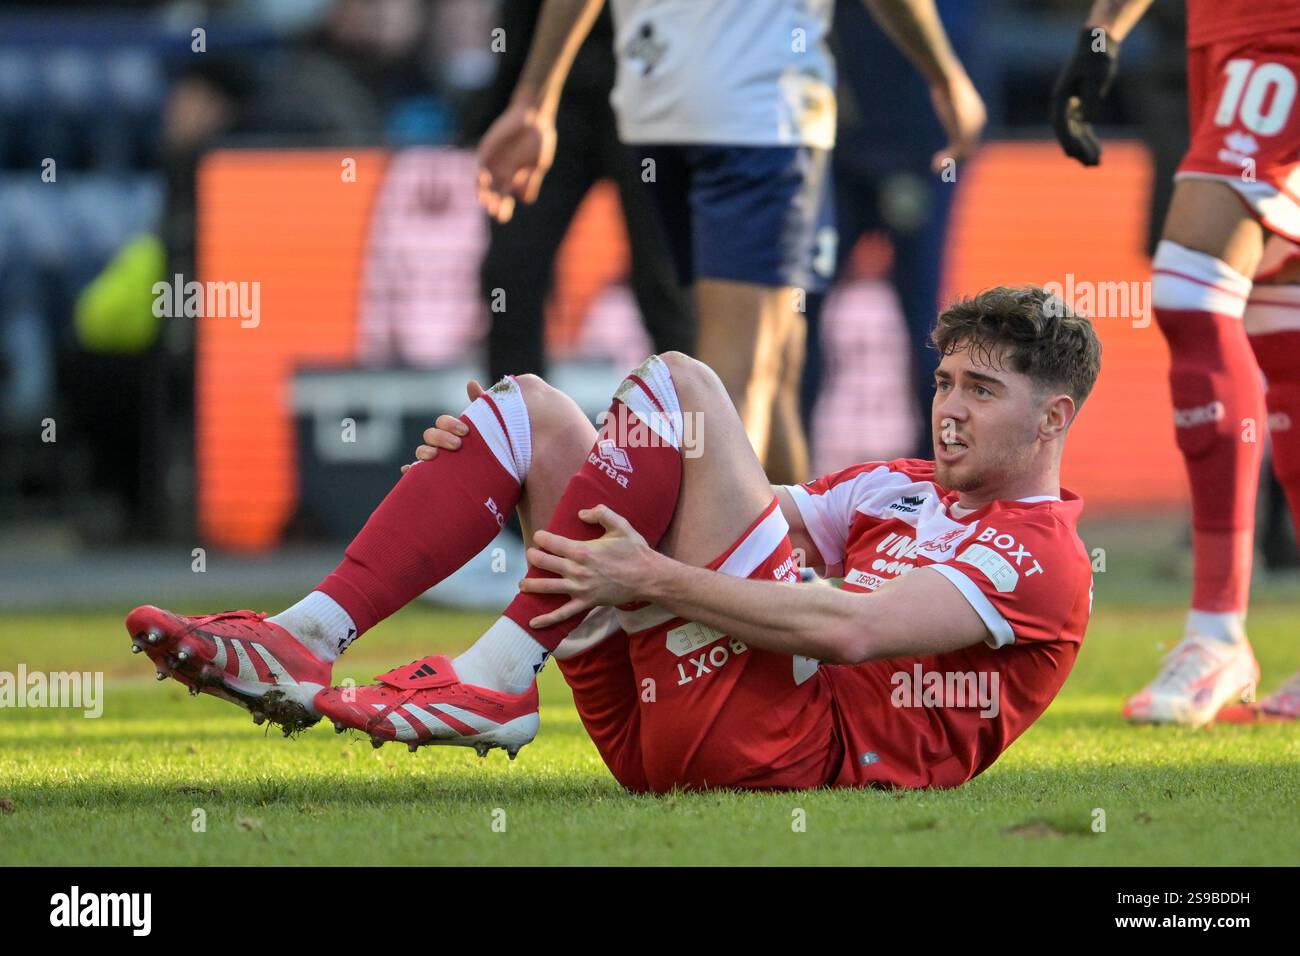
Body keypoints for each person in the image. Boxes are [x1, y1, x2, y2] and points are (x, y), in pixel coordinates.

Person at [126, 286, 1100, 792]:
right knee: (532, 412)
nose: (950, 411)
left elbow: (848, 630)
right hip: (663, 732)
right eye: (944, 383)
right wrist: (501, 467)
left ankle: (499, 672)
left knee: (683, 384)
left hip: (795, 755)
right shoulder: (899, 484)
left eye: (982, 391)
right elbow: (717, 499)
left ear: (1052, 419)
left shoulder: (1040, 553)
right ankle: (308, 629)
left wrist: (653, 574)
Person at [475, 0, 984, 485]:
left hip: (654, 111)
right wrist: (945, 74)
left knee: (776, 361)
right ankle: (715, 567)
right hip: (760, 115)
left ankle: (790, 558)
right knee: (732, 382)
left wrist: (535, 98)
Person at [1051, 0, 1300, 724]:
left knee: (1192, 291)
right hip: (1219, 41)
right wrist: (1102, 35)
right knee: (1280, 323)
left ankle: (1217, 632)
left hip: (1280, 38)